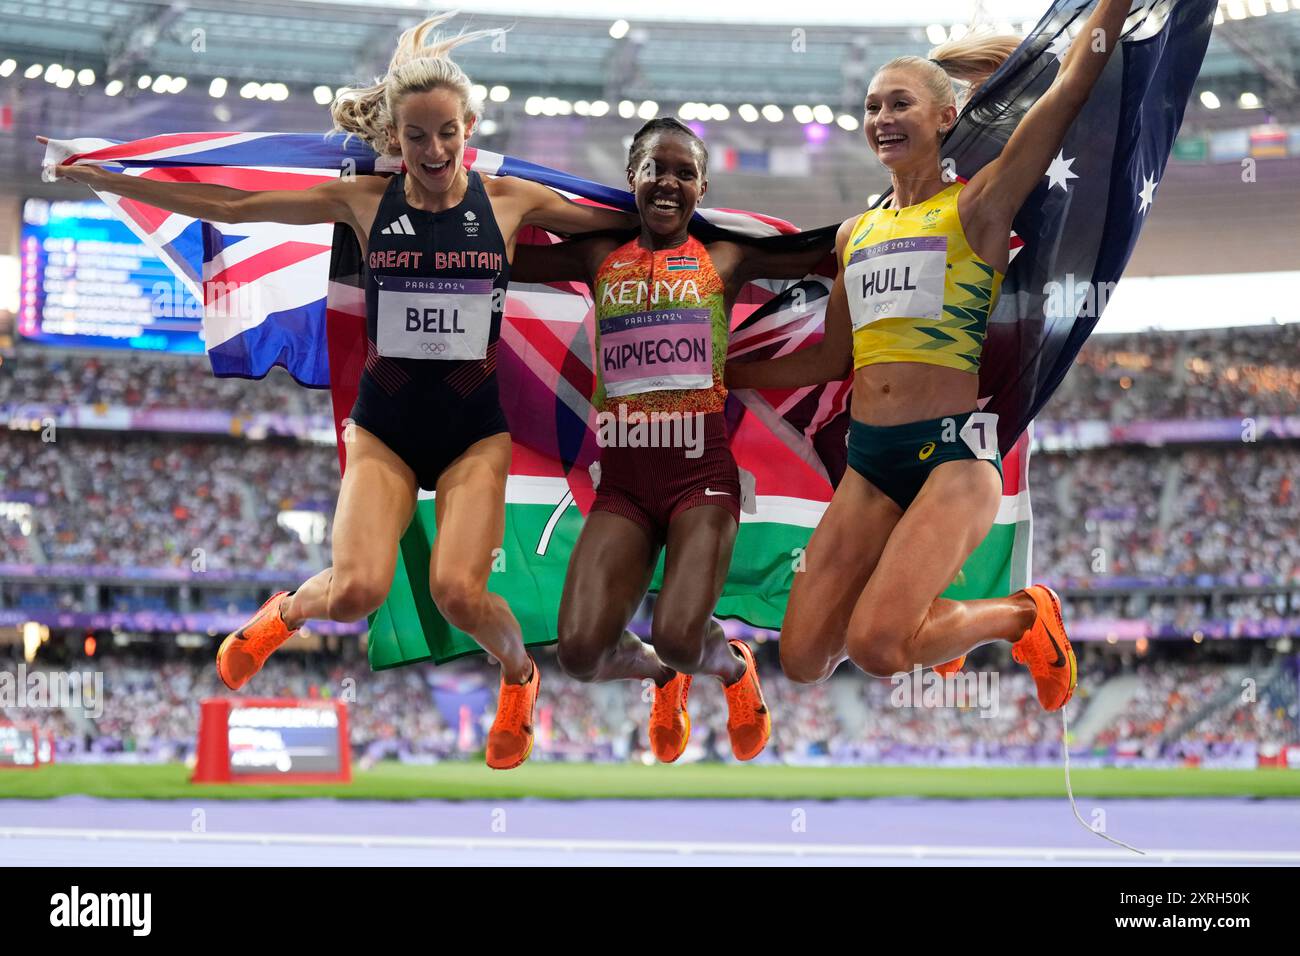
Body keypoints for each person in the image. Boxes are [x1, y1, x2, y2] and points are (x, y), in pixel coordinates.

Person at [41, 13, 636, 769]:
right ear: (395, 135)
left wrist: (722, 234)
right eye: (416, 136)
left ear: (470, 126)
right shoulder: (362, 201)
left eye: (447, 132)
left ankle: (518, 678)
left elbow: (624, 227)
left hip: (473, 431)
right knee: (355, 592)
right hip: (384, 426)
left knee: (459, 592)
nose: (433, 150)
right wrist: (108, 176)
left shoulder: (510, 200)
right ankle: (281, 615)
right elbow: (234, 206)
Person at [726, 0, 1135, 711]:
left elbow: (1068, 92)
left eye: (900, 103)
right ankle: (935, 618)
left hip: (950, 459)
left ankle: (1025, 614)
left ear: (946, 118)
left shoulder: (978, 207)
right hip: (870, 463)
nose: (882, 117)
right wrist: (727, 374)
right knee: (803, 657)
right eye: (872, 105)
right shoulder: (857, 233)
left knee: (882, 648)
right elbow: (830, 363)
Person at [512, 117, 832, 761]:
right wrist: (420, 214)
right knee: (578, 653)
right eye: (655, 168)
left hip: (701, 478)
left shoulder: (727, 257)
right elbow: (493, 257)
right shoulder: (599, 254)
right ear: (631, 178)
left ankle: (734, 669)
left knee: (684, 636)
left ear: (702, 186)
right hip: (624, 484)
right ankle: (662, 679)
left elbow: (838, 248)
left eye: (684, 172)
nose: (668, 182)